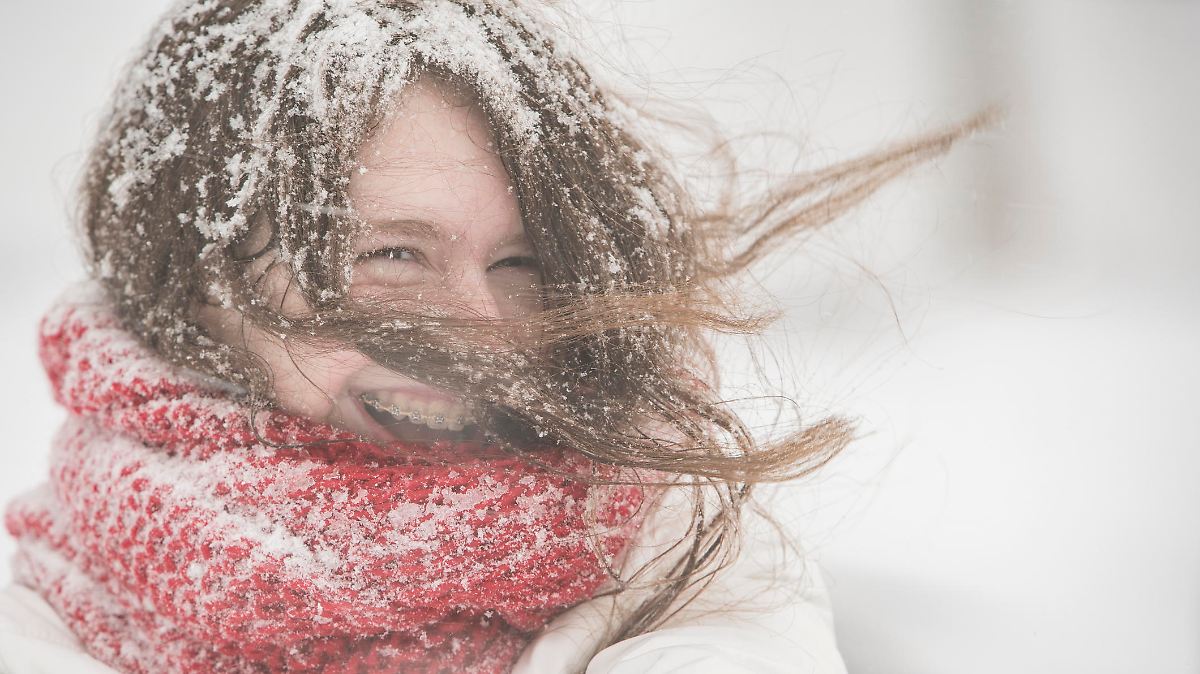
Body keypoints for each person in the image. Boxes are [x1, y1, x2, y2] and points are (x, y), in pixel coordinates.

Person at [0, 1, 986, 672]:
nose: (484, 329)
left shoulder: (676, 541)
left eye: (520, 264)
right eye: (392, 255)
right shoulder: (35, 604)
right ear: (195, 280)